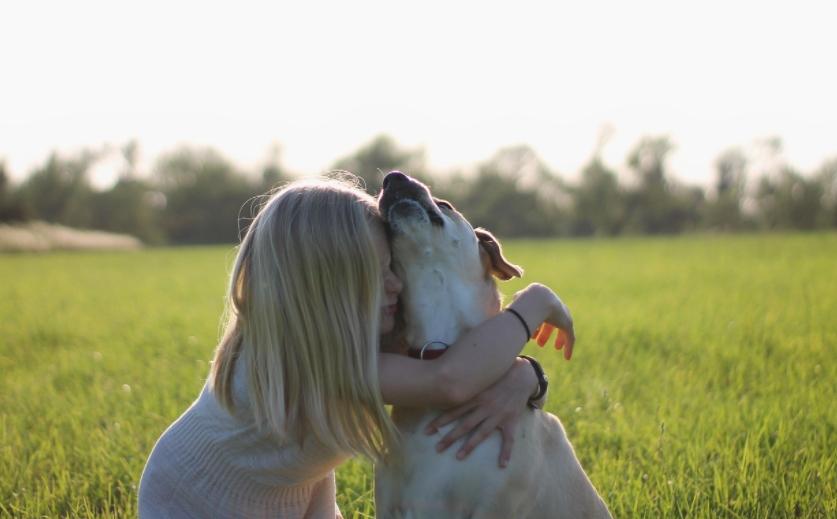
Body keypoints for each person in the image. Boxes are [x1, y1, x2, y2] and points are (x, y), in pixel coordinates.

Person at [138, 177, 573, 518]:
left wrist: (526, 375)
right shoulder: (308, 361)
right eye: (380, 271)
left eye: (394, 266)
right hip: (193, 503)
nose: (396, 284)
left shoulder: (348, 336)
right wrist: (534, 303)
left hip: (293, 500)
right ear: (326, 287)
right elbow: (448, 380)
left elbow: (464, 359)